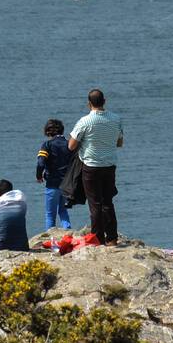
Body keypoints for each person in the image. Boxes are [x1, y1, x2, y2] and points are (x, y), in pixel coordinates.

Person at [68, 88, 124, 245]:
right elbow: (119, 143)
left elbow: (71, 146)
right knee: (108, 201)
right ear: (104, 101)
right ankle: (112, 238)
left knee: (95, 204)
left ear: (88, 104)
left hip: (91, 166)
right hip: (110, 165)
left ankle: (97, 239)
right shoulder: (116, 119)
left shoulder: (85, 121)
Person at [36, 118, 73, 230]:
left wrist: (38, 175)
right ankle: (68, 233)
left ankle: (51, 241)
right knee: (63, 211)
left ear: (48, 132)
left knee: (50, 215)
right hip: (67, 185)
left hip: (52, 184)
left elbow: (41, 162)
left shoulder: (47, 145)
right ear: (62, 130)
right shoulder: (69, 144)